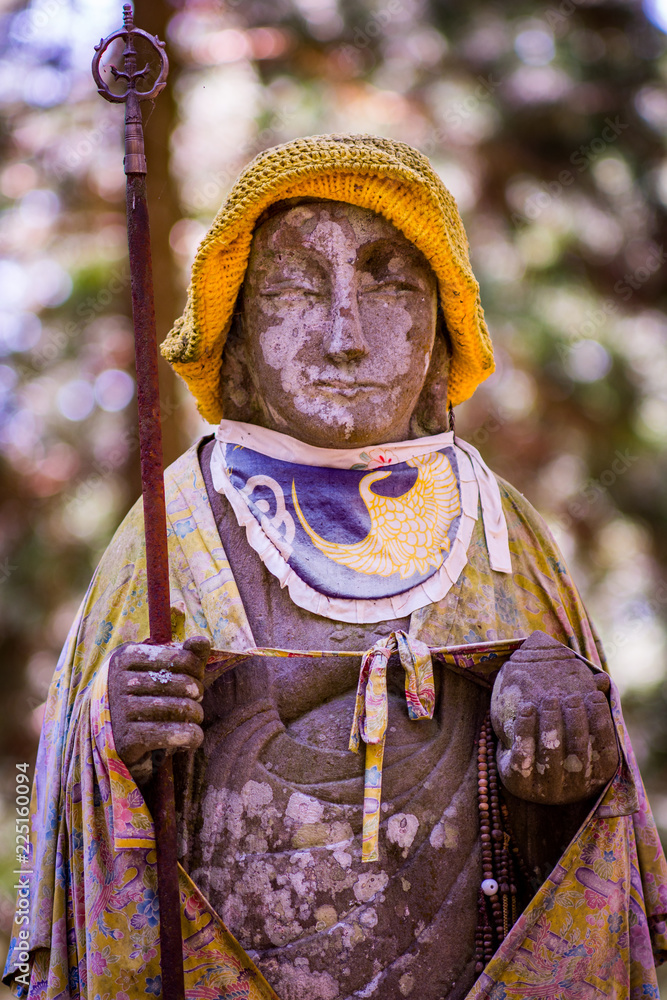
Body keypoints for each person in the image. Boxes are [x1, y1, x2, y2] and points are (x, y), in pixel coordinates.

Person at [4, 134, 666, 1000]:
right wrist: (107, 733)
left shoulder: (498, 527)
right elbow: (33, 799)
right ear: (236, 328)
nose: (345, 336)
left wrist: (563, 732)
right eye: (292, 288)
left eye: (392, 283)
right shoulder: (177, 527)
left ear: (443, 319)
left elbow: (599, 848)